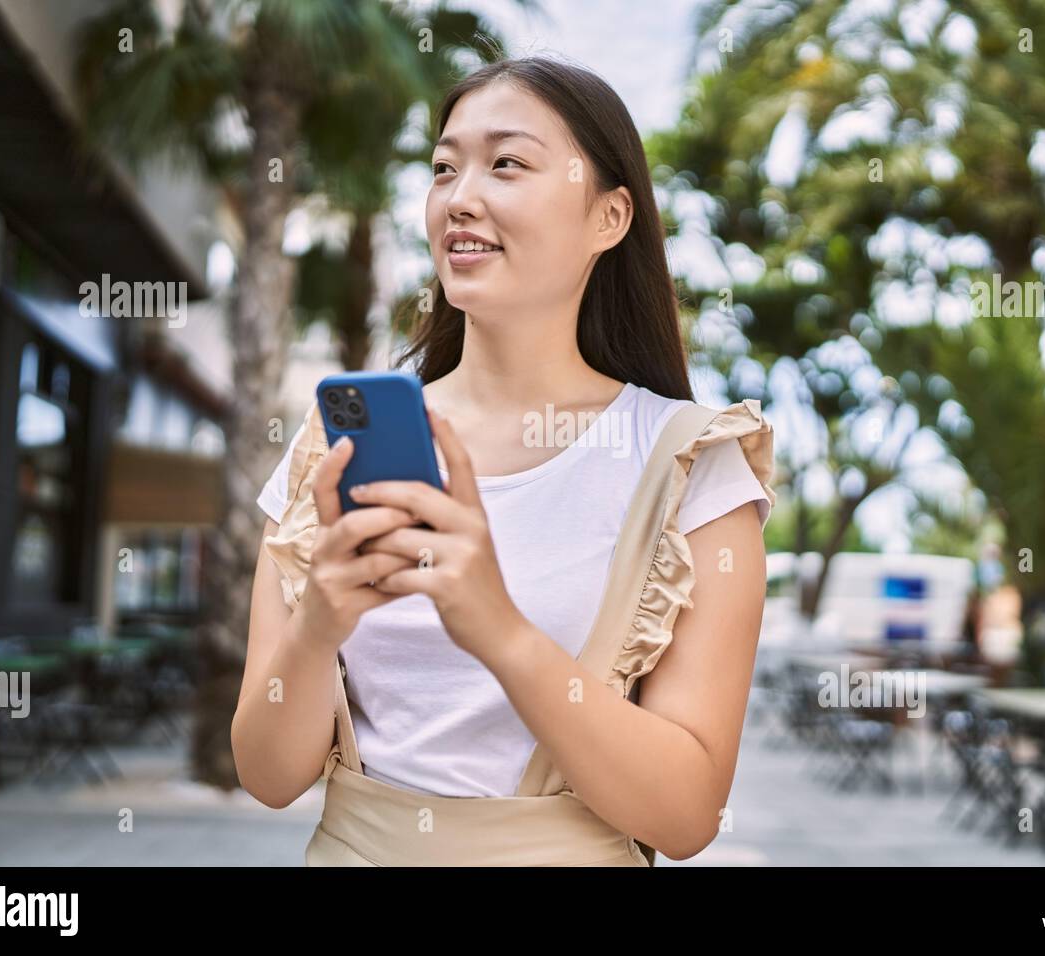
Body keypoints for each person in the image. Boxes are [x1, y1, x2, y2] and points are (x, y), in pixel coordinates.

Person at [231, 56, 776, 866]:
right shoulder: (335, 442)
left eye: (507, 164)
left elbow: (688, 816)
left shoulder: (692, 466)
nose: (460, 198)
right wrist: (318, 626)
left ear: (609, 217)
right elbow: (270, 777)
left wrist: (497, 629)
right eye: (444, 168)